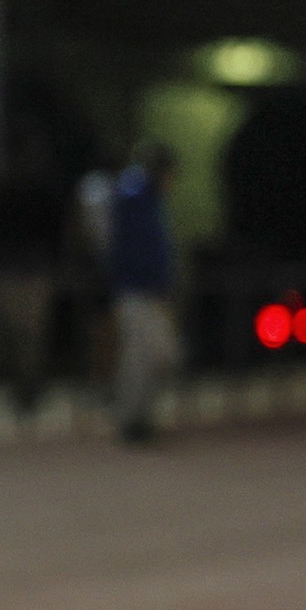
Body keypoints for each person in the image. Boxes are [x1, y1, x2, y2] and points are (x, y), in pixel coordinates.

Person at [108, 141, 180, 443]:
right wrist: (155, 283)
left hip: (149, 289)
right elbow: (139, 250)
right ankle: (132, 421)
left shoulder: (147, 197)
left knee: (160, 355)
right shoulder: (134, 194)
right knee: (140, 358)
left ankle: (142, 417)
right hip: (136, 289)